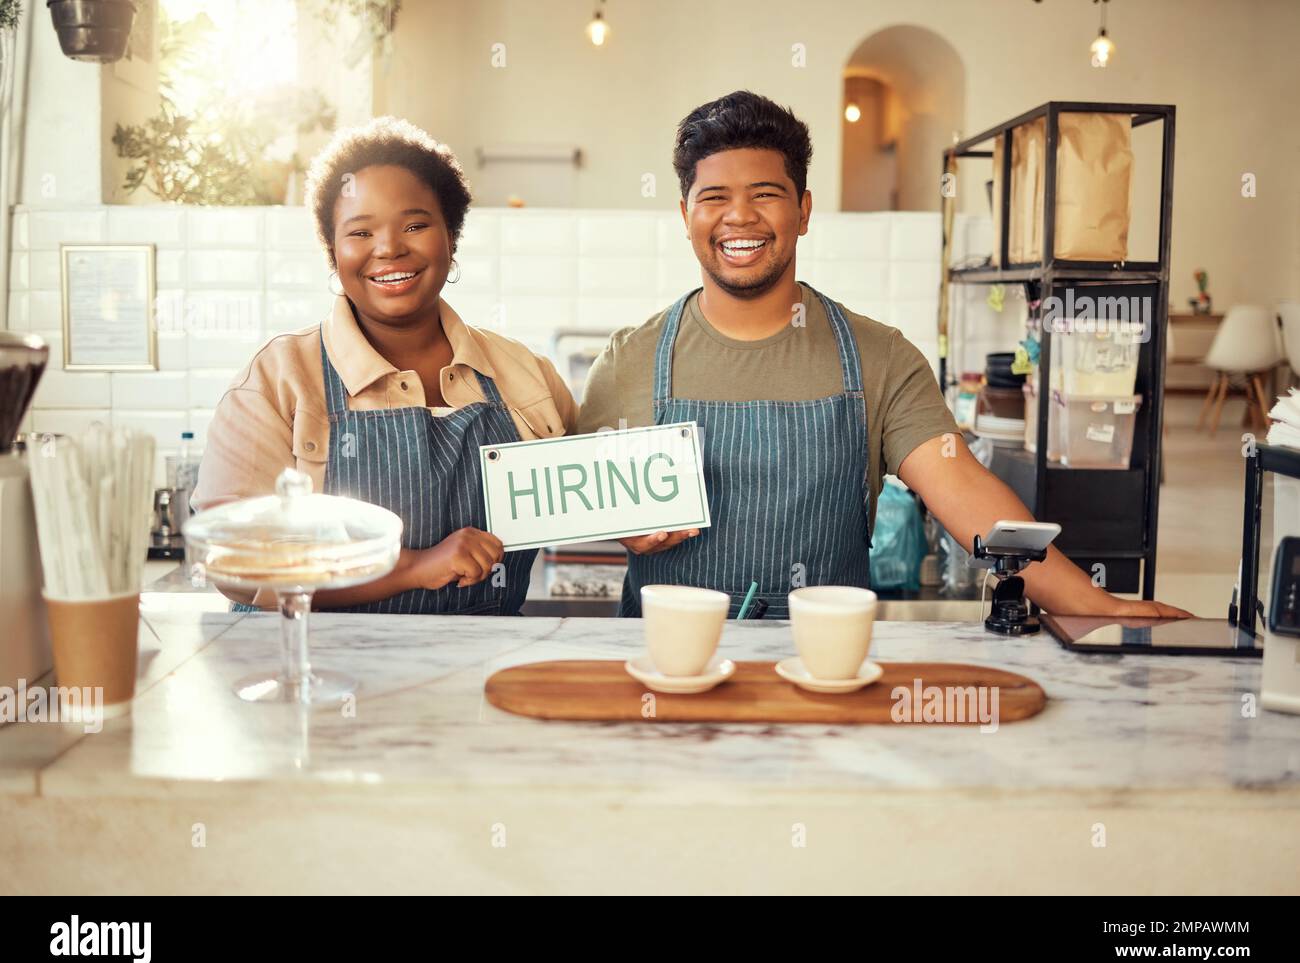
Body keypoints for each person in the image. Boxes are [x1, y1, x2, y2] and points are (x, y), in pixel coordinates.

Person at [577, 90, 1189, 620]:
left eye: (765, 193)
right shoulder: (629, 360)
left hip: (824, 665)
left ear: (803, 211)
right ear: (685, 214)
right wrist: (618, 529)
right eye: (714, 197)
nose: (740, 215)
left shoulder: (879, 357)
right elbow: (573, 504)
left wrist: (1092, 601)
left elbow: (963, 492)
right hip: (666, 669)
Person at [193, 117, 577, 614]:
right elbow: (231, 560)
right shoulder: (278, 380)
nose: (389, 247)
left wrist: (644, 524)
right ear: (333, 253)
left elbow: (593, 497)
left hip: (480, 671)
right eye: (361, 231)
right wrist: (412, 567)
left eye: (415, 225)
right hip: (314, 673)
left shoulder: (524, 375)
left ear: (451, 238)